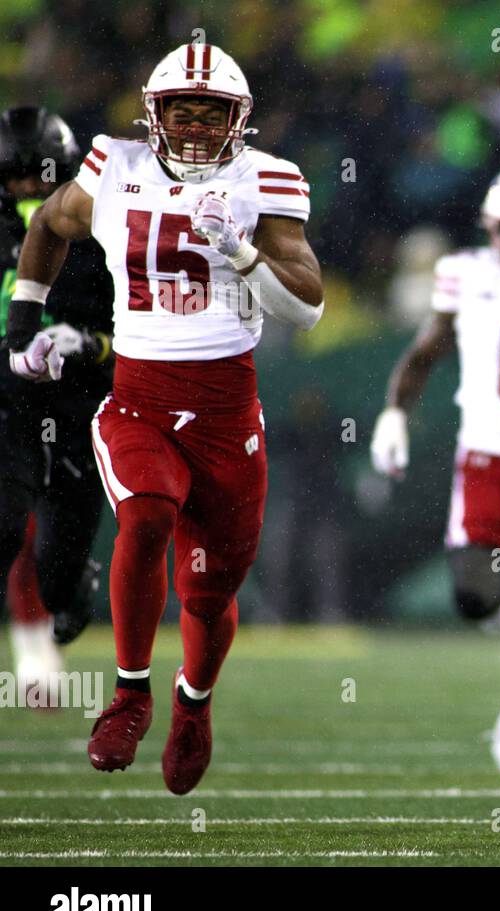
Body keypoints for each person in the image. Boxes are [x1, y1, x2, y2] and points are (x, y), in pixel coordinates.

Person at [7, 43, 323, 793]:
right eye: (180, 108)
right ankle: (129, 692)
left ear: (236, 120)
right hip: (139, 400)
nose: (193, 124)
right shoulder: (114, 166)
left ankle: (193, 703)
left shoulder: (265, 179)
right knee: (146, 513)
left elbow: (307, 307)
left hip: (226, 413)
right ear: (154, 112)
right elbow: (51, 224)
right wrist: (24, 317)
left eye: (210, 111)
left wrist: (242, 255)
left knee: (210, 589)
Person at [371, 161, 500, 773]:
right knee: (477, 598)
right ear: (488, 225)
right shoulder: (464, 273)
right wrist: (395, 412)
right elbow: (425, 350)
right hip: (485, 455)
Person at [1, 106, 113, 701]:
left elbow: (142, 338)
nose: (30, 191)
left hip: (74, 410)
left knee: (56, 571)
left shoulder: (102, 238)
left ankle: (72, 586)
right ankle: (29, 656)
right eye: (16, 179)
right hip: (8, 408)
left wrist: (90, 344)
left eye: (41, 179)